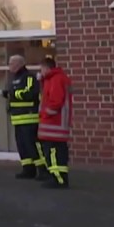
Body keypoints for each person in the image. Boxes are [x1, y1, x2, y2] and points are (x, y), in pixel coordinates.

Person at [0, 55, 43, 179]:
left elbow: (30, 93)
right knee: (22, 145)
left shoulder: (28, 77)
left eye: (11, 63)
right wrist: (6, 94)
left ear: (19, 64)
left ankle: (43, 170)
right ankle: (28, 169)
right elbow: (15, 95)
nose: (9, 66)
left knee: (32, 145)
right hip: (17, 117)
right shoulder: (14, 79)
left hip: (29, 117)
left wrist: (12, 93)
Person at [37, 55, 73, 189]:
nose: (40, 72)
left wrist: (45, 114)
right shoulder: (56, 79)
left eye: (41, 69)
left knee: (53, 154)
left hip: (54, 125)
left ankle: (58, 179)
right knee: (57, 154)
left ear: (46, 68)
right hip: (56, 124)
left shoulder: (55, 79)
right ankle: (59, 178)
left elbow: (55, 102)